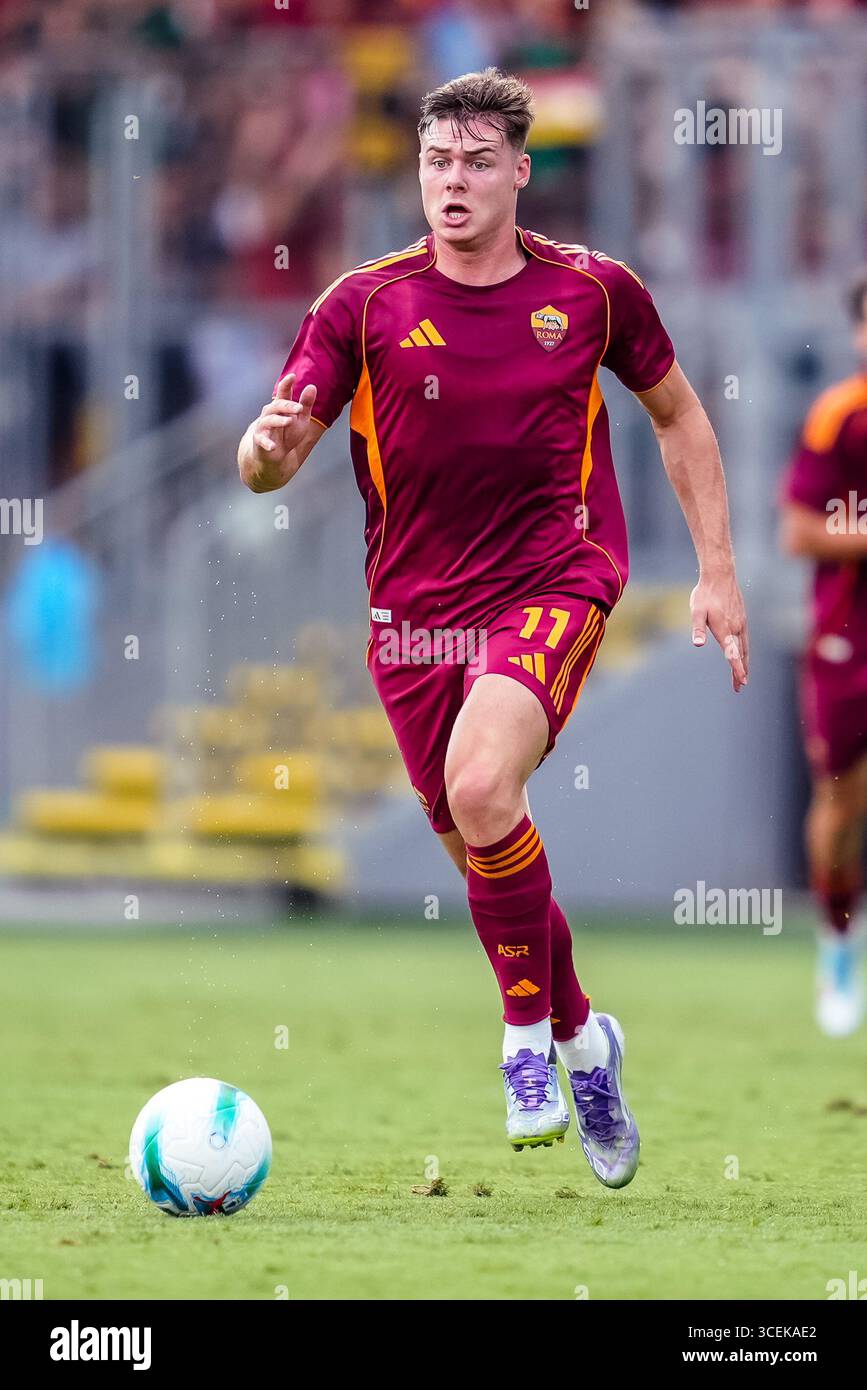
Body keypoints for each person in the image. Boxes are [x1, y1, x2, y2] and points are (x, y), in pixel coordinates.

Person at [238, 68, 748, 1189]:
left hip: (555, 579)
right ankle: (584, 1038)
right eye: (435, 162)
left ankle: (524, 1042)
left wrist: (716, 572)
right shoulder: (362, 303)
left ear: (519, 171)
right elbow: (271, 452)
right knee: (485, 840)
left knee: (482, 793)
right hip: (412, 620)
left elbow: (680, 415)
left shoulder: (596, 291)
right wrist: (264, 457)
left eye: (475, 162)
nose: (452, 181)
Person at [780, 271, 867, 1037]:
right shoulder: (839, 417)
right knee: (840, 801)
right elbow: (798, 531)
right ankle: (837, 942)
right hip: (848, 638)